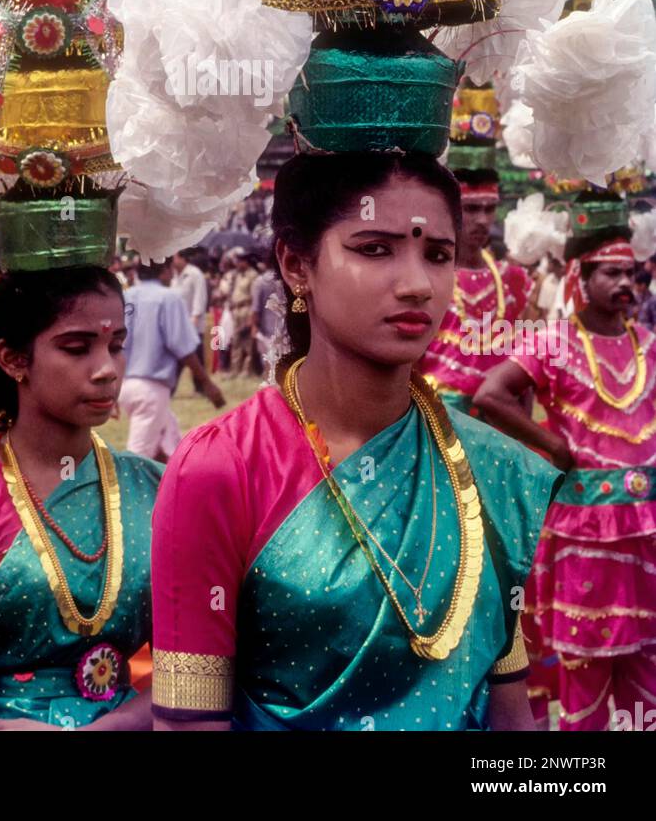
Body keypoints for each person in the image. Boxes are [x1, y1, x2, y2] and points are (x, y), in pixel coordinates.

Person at [151, 152, 560, 731]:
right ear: (297, 266)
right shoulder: (220, 468)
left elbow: (512, 720)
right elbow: (188, 723)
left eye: (438, 255)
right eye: (374, 249)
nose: (418, 284)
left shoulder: (495, 468)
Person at [0, 266, 162, 731]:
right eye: (77, 348)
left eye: (116, 345)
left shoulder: (157, 488)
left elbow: (196, 676)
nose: (107, 370)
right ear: (13, 359)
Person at [475, 205, 656, 732]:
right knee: (587, 664)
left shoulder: (647, 344)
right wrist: (554, 447)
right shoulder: (553, 342)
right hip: (583, 534)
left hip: (645, 532)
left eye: (632, 274)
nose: (626, 284)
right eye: (611, 273)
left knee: (646, 664)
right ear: (579, 277)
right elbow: (491, 394)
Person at [420, 165, 535, 413]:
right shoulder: (423, 275)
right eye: (471, 208)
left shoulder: (517, 280)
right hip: (438, 417)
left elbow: (527, 364)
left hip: (501, 419)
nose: (482, 220)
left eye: (490, 208)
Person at [118, 260, 224, 461]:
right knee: (138, 459)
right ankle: (131, 491)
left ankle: (177, 484)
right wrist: (207, 384)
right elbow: (183, 347)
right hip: (151, 389)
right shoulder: (168, 298)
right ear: (164, 272)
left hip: (126, 385)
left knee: (170, 442)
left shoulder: (126, 297)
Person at [227, 249, 259, 377]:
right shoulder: (236, 275)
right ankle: (234, 369)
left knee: (247, 342)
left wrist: (252, 316)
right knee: (236, 340)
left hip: (247, 308)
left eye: (240, 261)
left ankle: (246, 370)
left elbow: (254, 297)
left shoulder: (253, 275)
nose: (238, 264)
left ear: (246, 262)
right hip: (236, 310)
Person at [170, 249, 208, 344]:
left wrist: (193, 323)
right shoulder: (173, 276)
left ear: (182, 258)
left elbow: (199, 299)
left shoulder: (195, 274)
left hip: (193, 326)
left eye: (174, 257)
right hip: (176, 327)